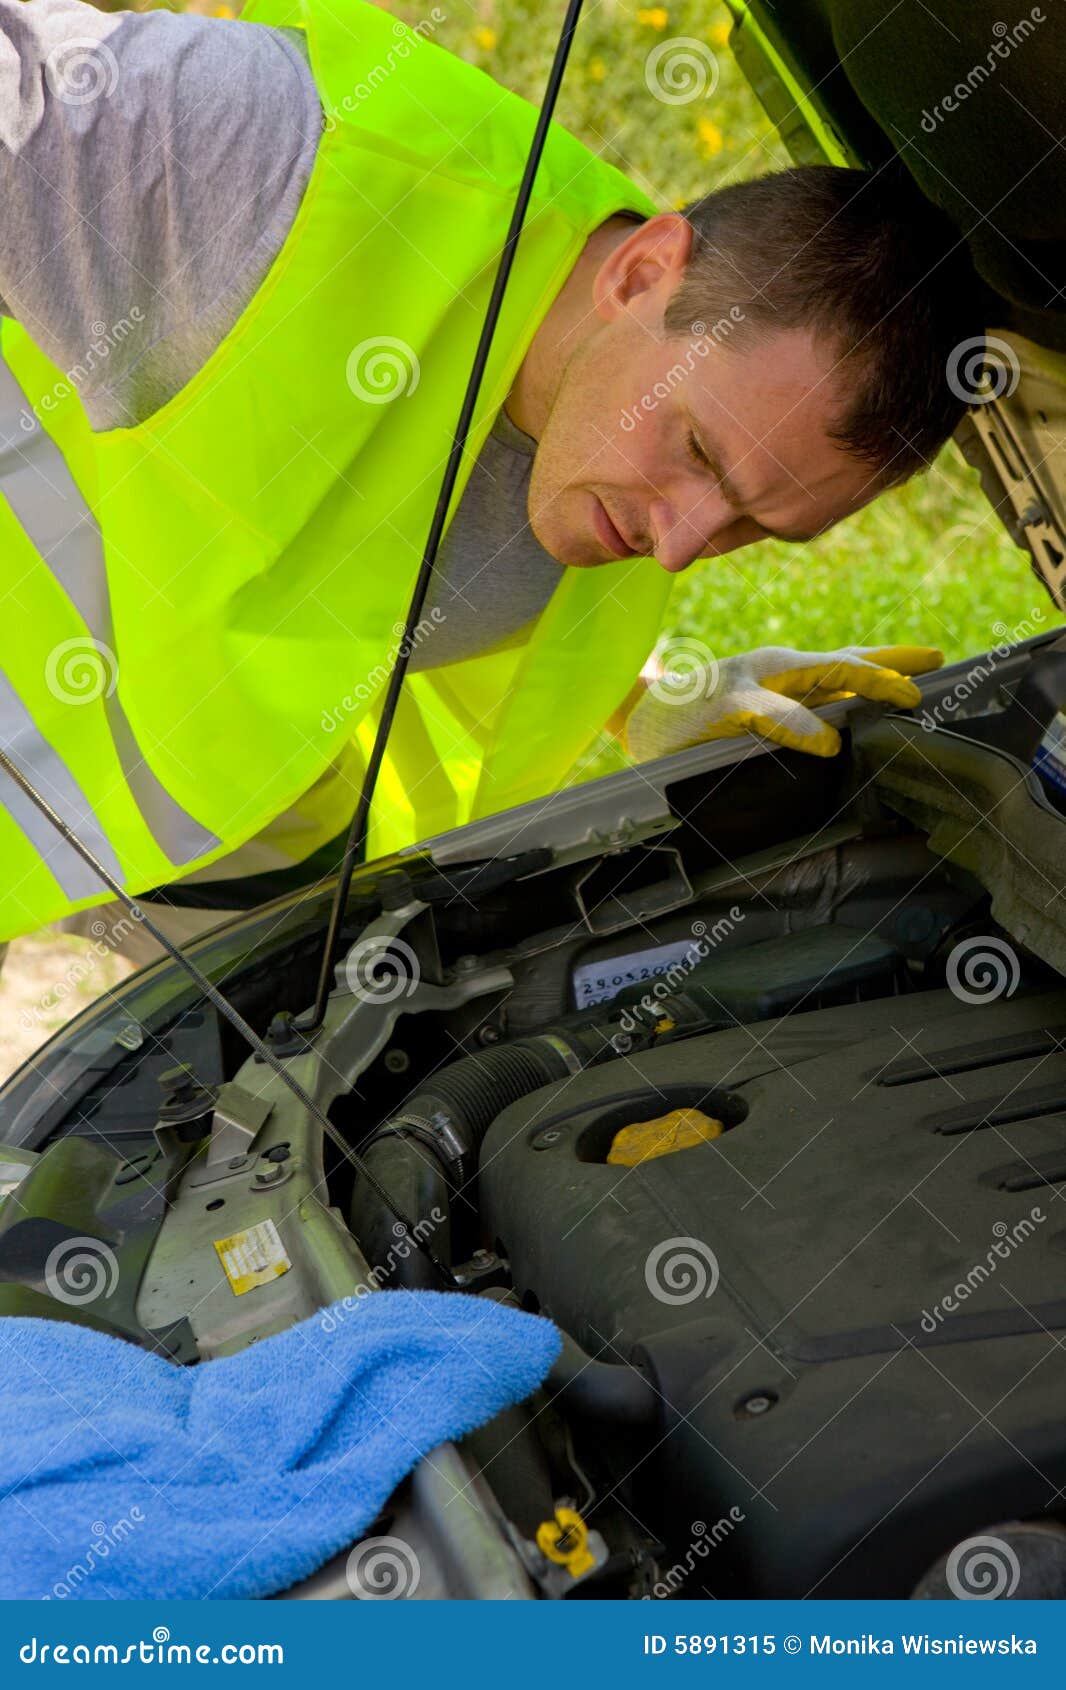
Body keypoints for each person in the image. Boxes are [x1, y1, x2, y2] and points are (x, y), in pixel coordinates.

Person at [0, 0, 978, 957]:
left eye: (755, 526)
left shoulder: (631, 417)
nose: (682, 547)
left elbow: (383, 563)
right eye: (698, 454)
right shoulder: (273, 167)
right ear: (639, 273)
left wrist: (644, 699)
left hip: (216, 811)